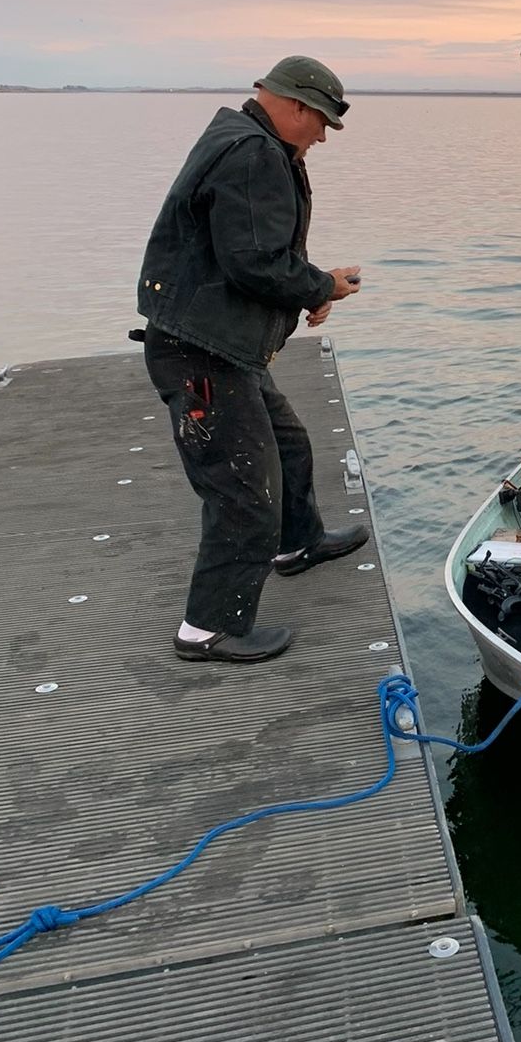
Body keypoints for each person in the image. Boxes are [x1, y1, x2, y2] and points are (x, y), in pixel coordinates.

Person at [136, 56, 368, 663]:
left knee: (288, 445)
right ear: (293, 105)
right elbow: (255, 262)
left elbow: (247, 253)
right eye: (320, 122)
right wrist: (320, 286)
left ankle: (298, 544)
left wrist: (315, 286)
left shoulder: (244, 140)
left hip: (219, 343)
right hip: (201, 354)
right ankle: (208, 628)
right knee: (242, 491)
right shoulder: (253, 154)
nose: (321, 136)